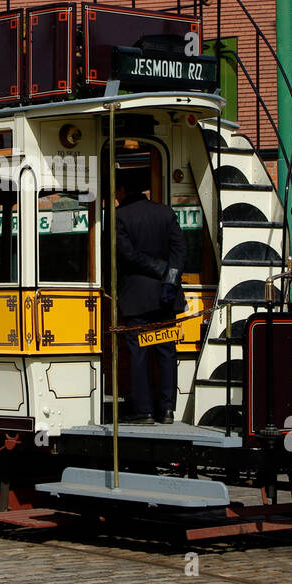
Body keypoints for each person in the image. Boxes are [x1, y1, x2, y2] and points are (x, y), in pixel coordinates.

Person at [114, 168, 186, 424]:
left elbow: (128, 255)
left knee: (139, 353)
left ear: (122, 191)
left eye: (116, 191)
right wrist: (170, 277)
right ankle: (167, 410)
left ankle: (144, 410)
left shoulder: (119, 217)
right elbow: (180, 251)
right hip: (166, 296)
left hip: (136, 298)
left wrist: (159, 269)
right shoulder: (166, 212)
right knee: (167, 350)